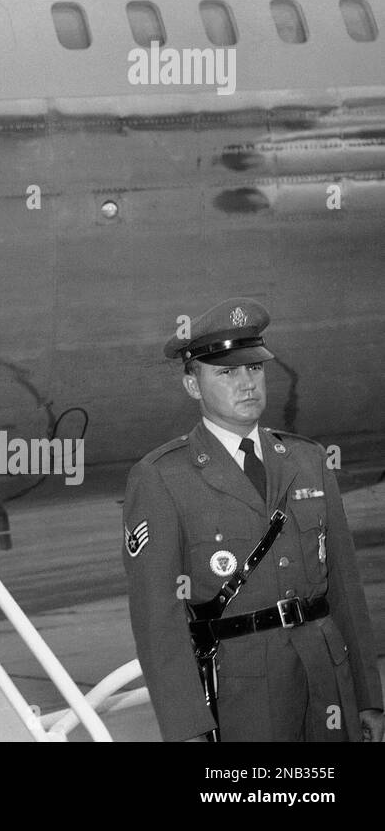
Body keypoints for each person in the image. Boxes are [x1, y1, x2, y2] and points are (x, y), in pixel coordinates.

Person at [122, 299, 384, 742]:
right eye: (227, 373)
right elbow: (157, 617)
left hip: (326, 680)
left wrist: (369, 696)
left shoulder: (308, 460)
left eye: (254, 369)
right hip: (244, 696)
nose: (247, 383)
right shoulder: (163, 477)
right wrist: (187, 727)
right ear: (192, 385)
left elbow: (345, 587)